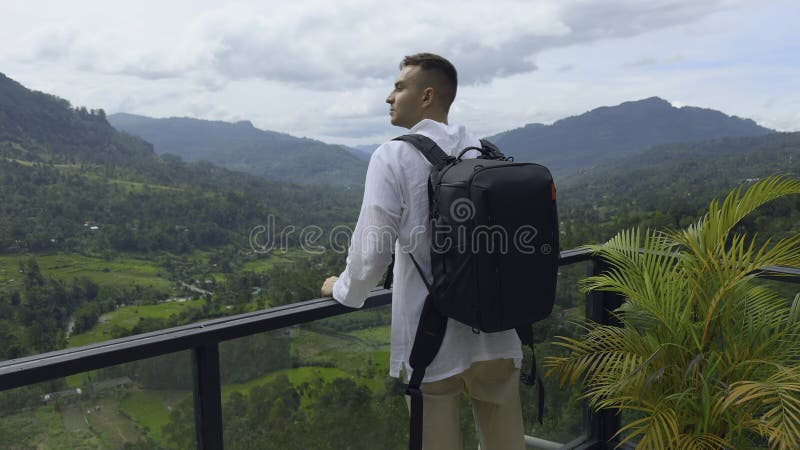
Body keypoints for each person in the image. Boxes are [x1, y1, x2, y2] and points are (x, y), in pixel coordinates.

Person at [321, 53, 525, 450]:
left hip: (432, 338)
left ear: (427, 95)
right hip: (499, 329)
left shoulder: (393, 155)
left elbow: (371, 252)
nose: (388, 97)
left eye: (399, 87)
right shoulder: (483, 151)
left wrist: (342, 289)